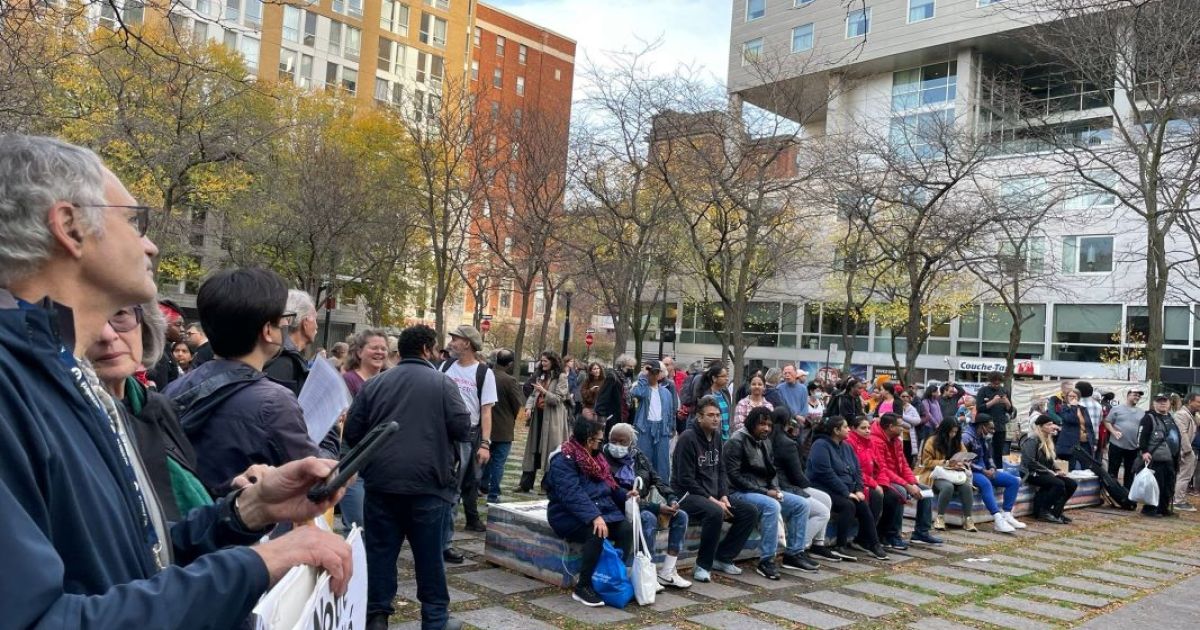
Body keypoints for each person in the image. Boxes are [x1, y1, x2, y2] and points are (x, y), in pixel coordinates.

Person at [0, 134, 352, 628]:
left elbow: (137, 559)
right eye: (132, 220)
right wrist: (258, 564)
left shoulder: (69, 379)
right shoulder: (16, 388)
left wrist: (246, 512)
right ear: (69, 227)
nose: (150, 242)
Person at [343, 324, 470, 630]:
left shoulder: (374, 384)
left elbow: (353, 432)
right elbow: (462, 428)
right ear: (427, 349)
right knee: (429, 560)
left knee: (380, 555)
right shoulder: (443, 384)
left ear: (401, 351)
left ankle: (377, 617)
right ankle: (435, 619)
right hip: (429, 487)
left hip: (381, 486)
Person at [164, 268, 319, 496]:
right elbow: (314, 475)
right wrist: (333, 437)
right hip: (252, 524)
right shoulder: (275, 402)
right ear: (268, 331)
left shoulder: (174, 388)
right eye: (282, 322)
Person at [86, 300, 207, 521]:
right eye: (86, 317)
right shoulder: (64, 423)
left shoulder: (158, 405)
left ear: (145, 327)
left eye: (120, 313)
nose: (107, 334)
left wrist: (242, 504)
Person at [545, 417, 635, 607]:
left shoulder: (596, 458)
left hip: (597, 509)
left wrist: (626, 495)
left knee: (625, 529)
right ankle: (583, 587)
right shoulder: (564, 459)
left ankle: (612, 576)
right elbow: (572, 494)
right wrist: (594, 516)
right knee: (596, 532)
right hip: (565, 514)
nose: (601, 444)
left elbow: (608, 486)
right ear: (588, 440)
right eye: (599, 440)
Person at [724, 407, 820, 579]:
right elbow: (734, 476)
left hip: (763, 490)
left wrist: (775, 488)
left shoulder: (765, 441)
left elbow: (772, 471)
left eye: (769, 425)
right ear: (752, 423)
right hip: (738, 492)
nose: (766, 428)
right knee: (772, 506)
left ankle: (794, 554)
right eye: (762, 424)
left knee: (801, 504)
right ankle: (767, 560)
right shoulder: (737, 440)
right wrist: (766, 492)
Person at [672, 396, 759, 582]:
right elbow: (685, 479)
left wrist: (724, 496)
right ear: (699, 417)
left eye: (718, 415)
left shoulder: (718, 437)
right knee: (715, 512)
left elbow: (721, 471)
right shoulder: (688, 439)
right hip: (686, 495)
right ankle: (702, 565)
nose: (715, 419)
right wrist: (713, 501)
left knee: (749, 511)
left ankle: (723, 557)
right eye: (710, 415)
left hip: (712, 495)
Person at [602, 423, 692, 589]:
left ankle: (668, 571)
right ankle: (647, 573)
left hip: (642, 504)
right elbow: (616, 494)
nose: (617, 446)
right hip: (620, 508)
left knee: (681, 516)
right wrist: (657, 508)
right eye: (613, 441)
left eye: (622, 442)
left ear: (631, 443)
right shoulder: (603, 460)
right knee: (648, 518)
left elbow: (657, 479)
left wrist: (671, 498)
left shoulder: (638, 457)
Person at [439, 325, 497, 555]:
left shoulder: (484, 373)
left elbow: (486, 412)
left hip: (467, 437)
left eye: (456, 338)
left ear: (468, 344)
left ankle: (445, 544)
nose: (451, 342)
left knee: (455, 491)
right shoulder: (445, 366)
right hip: (441, 435)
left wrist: (485, 444)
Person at [806, 416, 889, 561]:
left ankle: (873, 544)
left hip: (848, 489)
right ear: (836, 430)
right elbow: (825, 473)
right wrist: (845, 492)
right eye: (845, 427)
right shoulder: (820, 445)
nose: (848, 430)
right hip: (823, 488)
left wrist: (858, 489)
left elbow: (857, 471)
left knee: (862, 505)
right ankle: (840, 545)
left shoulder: (846, 447)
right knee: (848, 505)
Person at [767, 407, 836, 562]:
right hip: (786, 486)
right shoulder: (787, 443)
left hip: (785, 483)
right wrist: (806, 484)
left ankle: (818, 544)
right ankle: (798, 549)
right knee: (822, 512)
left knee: (826, 498)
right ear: (787, 422)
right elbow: (798, 476)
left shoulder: (772, 438)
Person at [338, 328, 388, 530]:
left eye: (383, 348)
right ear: (359, 352)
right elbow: (341, 425)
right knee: (358, 525)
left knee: (378, 525)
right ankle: (354, 561)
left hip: (382, 464)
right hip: (354, 462)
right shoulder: (348, 381)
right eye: (374, 347)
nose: (380, 352)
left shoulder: (389, 380)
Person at [871, 413, 943, 546]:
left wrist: (913, 482)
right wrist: (907, 485)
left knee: (925, 491)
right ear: (891, 427)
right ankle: (893, 535)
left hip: (897, 479)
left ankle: (921, 532)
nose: (904, 427)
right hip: (882, 479)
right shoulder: (876, 441)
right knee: (901, 492)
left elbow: (903, 464)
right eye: (900, 425)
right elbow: (883, 469)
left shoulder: (896, 440)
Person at [847, 416, 904, 550]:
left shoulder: (870, 442)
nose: (867, 431)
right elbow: (856, 470)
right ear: (853, 429)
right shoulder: (850, 443)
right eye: (863, 428)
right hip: (858, 482)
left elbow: (881, 467)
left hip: (874, 481)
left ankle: (881, 533)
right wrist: (874, 485)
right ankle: (864, 537)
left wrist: (882, 484)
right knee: (876, 496)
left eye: (868, 428)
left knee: (893, 496)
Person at [517, 351, 571, 493]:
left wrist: (544, 391)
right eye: (542, 361)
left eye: (545, 361)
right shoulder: (540, 376)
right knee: (533, 449)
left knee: (550, 451)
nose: (542, 363)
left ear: (553, 361)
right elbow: (533, 395)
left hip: (553, 419)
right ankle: (525, 484)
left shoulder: (562, 377)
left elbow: (558, 399)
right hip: (538, 418)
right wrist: (528, 407)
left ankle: (546, 486)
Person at [961, 416, 1026, 533]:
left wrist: (992, 467)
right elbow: (964, 461)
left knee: (1013, 481)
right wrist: (983, 470)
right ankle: (998, 519)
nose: (993, 431)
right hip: (972, 471)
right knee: (986, 484)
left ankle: (1006, 514)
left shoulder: (983, 437)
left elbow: (989, 456)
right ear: (982, 426)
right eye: (991, 428)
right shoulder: (966, 437)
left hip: (985, 470)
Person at [914, 419, 976, 532]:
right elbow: (926, 462)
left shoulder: (958, 442)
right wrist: (945, 463)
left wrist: (964, 462)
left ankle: (968, 518)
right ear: (944, 430)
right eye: (951, 432)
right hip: (935, 473)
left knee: (967, 487)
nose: (953, 434)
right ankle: (940, 517)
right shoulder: (932, 441)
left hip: (954, 473)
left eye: (955, 432)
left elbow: (965, 455)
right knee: (948, 487)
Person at [483, 349, 525, 503]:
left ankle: (482, 487)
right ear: (510, 363)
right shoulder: (510, 380)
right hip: (503, 427)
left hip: (485, 425)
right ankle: (493, 495)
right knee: (499, 463)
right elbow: (517, 403)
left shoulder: (486, 375)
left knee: (485, 460)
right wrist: (511, 416)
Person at [1021, 415, 1077, 524]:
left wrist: (1056, 470)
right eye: (1049, 424)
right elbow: (1030, 462)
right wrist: (1050, 472)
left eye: (1052, 424)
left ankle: (1056, 512)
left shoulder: (1048, 440)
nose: (1052, 427)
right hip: (1030, 473)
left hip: (1043, 472)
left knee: (1072, 484)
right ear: (1040, 427)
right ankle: (1044, 510)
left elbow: (1050, 461)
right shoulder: (1032, 440)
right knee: (1058, 483)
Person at [631, 358, 677, 481]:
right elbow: (637, 393)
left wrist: (672, 427)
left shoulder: (666, 392)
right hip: (644, 428)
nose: (653, 375)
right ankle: (641, 491)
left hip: (662, 430)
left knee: (662, 464)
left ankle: (662, 494)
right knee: (643, 461)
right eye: (651, 372)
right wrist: (643, 374)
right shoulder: (642, 388)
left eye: (656, 372)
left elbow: (671, 411)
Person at [1139, 393, 1182, 518]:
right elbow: (1141, 436)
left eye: (1165, 401)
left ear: (1169, 403)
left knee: (1168, 485)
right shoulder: (1149, 418)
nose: (1162, 403)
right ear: (1154, 403)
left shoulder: (1170, 417)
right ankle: (1150, 509)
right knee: (1155, 485)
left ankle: (1163, 508)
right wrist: (1144, 451)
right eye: (1159, 401)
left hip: (1171, 458)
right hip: (1155, 458)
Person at [1103, 388, 1145, 489]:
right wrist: (1113, 431)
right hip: (1116, 445)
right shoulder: (1116, 409)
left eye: (1139, 396)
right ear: (1128, 395)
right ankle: (1112, 492)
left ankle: (1127, 495)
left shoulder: (1142, 412)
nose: (1137, 397)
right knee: (1113, 471)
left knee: (1130, 472)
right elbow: (1107, 422)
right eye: (1135, 394)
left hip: (1133, 447)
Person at [1055, 388, 1096, 471]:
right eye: (1070, 396)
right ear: (1066, 397)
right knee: (1071, 468)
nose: (1072, 398)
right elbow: (1070, 419)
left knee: (1087, 467)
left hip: (1085, 443)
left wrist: (1093, 442)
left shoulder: (1083, 409)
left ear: (1078, 398)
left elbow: (1089, 426)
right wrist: (1073, 407)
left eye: (1075, 396)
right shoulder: (1064, 408)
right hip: (1071, 444)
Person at [148, 298, 186, 389]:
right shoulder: (159, 356)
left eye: (182, 325)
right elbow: (163, 391)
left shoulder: (165, 352)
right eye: (178, 325)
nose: (182, 330)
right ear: (162, 324)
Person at [1171, 393, 1199, 512]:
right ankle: (1178, 501)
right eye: (1198, 402)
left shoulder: (1191, 414)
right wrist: (1188, 450)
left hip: (1186, 449)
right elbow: (1182, 434)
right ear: (1189, 402)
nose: (1199, 405)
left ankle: (1177, 498)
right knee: (1184, 476)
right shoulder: (1182, 415)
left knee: (1183, 476)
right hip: (1184, 450)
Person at [595, 354, 636, 433]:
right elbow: (603, 398)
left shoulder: (629, 380)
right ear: (621, 366)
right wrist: (603, 419)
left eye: (633, 367)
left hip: (626, 418)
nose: (632, 369)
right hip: (613, 419)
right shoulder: (612, 377)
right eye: (629, 367)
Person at [693, 361, 733, 439]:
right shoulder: (707, 396)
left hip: (726, 436)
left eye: (727, 375)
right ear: (714, 378)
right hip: (713, 437)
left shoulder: (725, 392)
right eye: (723, 376)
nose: (727, 378)